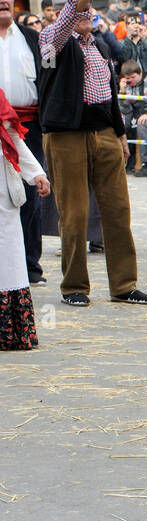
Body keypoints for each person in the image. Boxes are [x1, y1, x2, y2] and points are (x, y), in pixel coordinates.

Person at [39, 0, 147, 308]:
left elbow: (109, 98)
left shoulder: (99, 48)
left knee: (118, 210)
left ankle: (123, 284)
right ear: (62, 15)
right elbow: (70, 15)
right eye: (77, 8)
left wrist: (119, 134)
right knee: (73, 213)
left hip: (103, 133)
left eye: (89, 9)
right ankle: (74, 286)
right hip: (66, 136)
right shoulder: (50, 41)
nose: (85, 13)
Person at [0, 0, 48, 287]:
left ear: (14, 2)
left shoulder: (31, 38)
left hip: (28, 124)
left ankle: (30, 265)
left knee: (32, 194)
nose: (2, 0)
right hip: (0, 126)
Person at [1, 87, 50, 348]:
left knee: (9, 257)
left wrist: (36, 173)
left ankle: (9, 332)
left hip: (2, 189)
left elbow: (12, 135)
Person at [118, 60, 147, 177]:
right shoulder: (127, 87)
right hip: (134, 116)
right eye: (128, 78)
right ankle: (127, 163)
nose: (130, 80)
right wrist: (122, 93)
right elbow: (125, 110)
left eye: (133, 77)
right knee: (123, 125)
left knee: (143, 125)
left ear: (140, 74)